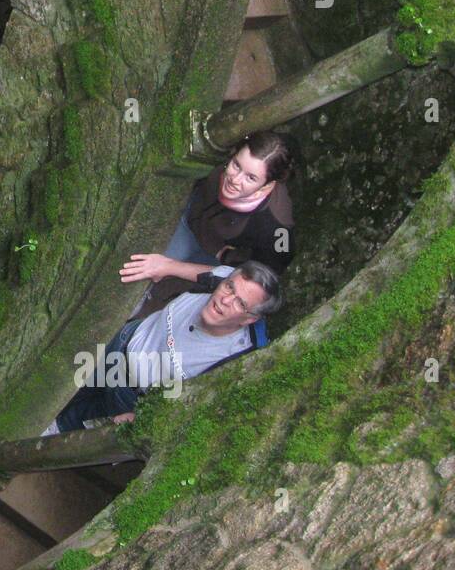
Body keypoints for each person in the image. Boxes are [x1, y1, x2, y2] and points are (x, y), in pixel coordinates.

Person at [44, 261, 282, 435]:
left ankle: (50, 429)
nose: (225, 299)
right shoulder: (223, 277)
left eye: (241, 303)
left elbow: (201, 406)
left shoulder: (235, 360)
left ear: (249, 319)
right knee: (64, 386)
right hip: (121, 344)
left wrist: (146, 418)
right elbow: (208, 273)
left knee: (74, 422)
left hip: (131, 397)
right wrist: (165, 265)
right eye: (230, 288)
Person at [122, 130, 295, 318]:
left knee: (147, 270)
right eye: (236, 165)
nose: (235, 180)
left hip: (218, 257)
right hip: (193, 213)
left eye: (251, 178)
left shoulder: (276, 228)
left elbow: (260, 278)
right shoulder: (221, 156)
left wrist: (169, 266)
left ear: (268, 184)